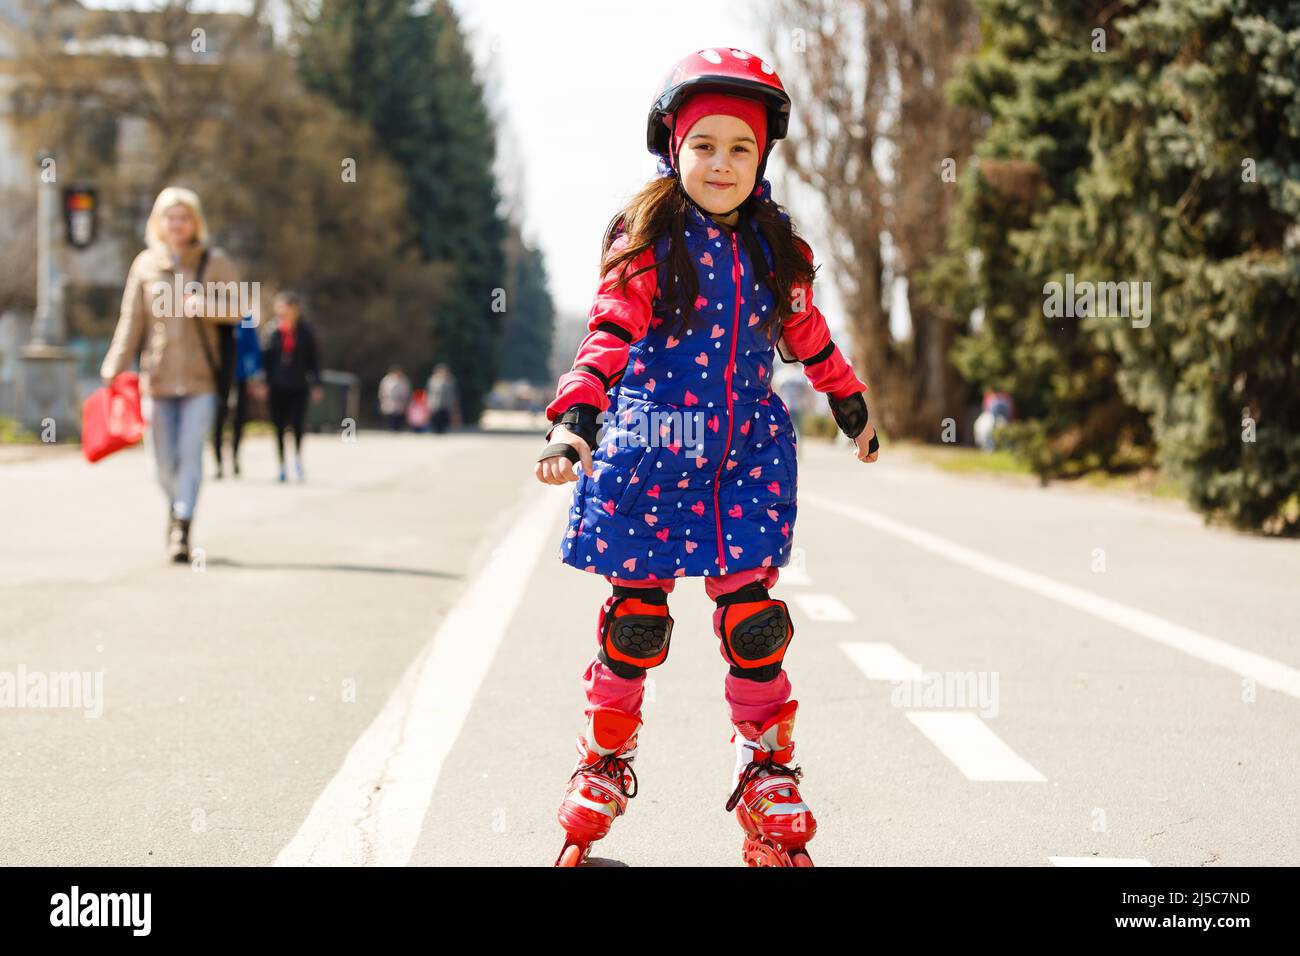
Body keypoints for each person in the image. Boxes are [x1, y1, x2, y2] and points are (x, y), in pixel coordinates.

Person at [534, 48, 879, 867]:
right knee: (636, 622)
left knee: (755, 625)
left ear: (761, 159)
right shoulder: (648, 234)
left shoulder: (774, 242)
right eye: (705, 146)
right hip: (650, 451)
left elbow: (806, 331)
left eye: (740, 149)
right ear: (673, 149)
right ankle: (604, 760)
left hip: (742, 461)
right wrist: (576, 418)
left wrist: (848, 397)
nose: (721, 164)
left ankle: (768, 775)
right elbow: (609, 331)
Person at [99, 186, 243, 562]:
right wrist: (114, 366)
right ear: (158, 223)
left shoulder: (215, 262)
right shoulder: (145, 265)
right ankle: (176, 502)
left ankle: (182, 523)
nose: (176, 224)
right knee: (161, 460)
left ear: (195, 222)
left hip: (202, 379)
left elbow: (243, 307)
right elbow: (131, 321)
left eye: (183, 217)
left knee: (189, 453)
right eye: (169, 217)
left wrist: (204, 305)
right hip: (157, 376)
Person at [261, 290, 321, 482]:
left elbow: (314, 360)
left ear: (296, 310)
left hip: (299, 385)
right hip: (277, 385)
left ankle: (296, 458)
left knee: (296, 423)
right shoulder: (272, 331)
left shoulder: (306, 332)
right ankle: (281, 464)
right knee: (277, 425)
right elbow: (265, 360)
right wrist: (263, 382)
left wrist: (317, 383)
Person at [426, 363, 460, 434]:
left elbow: (453, 393)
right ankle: (436, 430)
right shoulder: (433, 380)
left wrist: (454, 404)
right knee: (436, 418)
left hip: (446, 403)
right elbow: (430, 392)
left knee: (444, 417)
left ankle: (442, 430)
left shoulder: (450, 380)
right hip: (435, 403)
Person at [378, 366, 411, 431]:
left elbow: (406, 391)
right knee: (390, 416)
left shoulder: (404, 380)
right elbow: (383, 390)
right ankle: (390, 428)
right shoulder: (387, 379)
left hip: (400, 401)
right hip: (389, 400)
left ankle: (397, 428)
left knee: (399, 416)